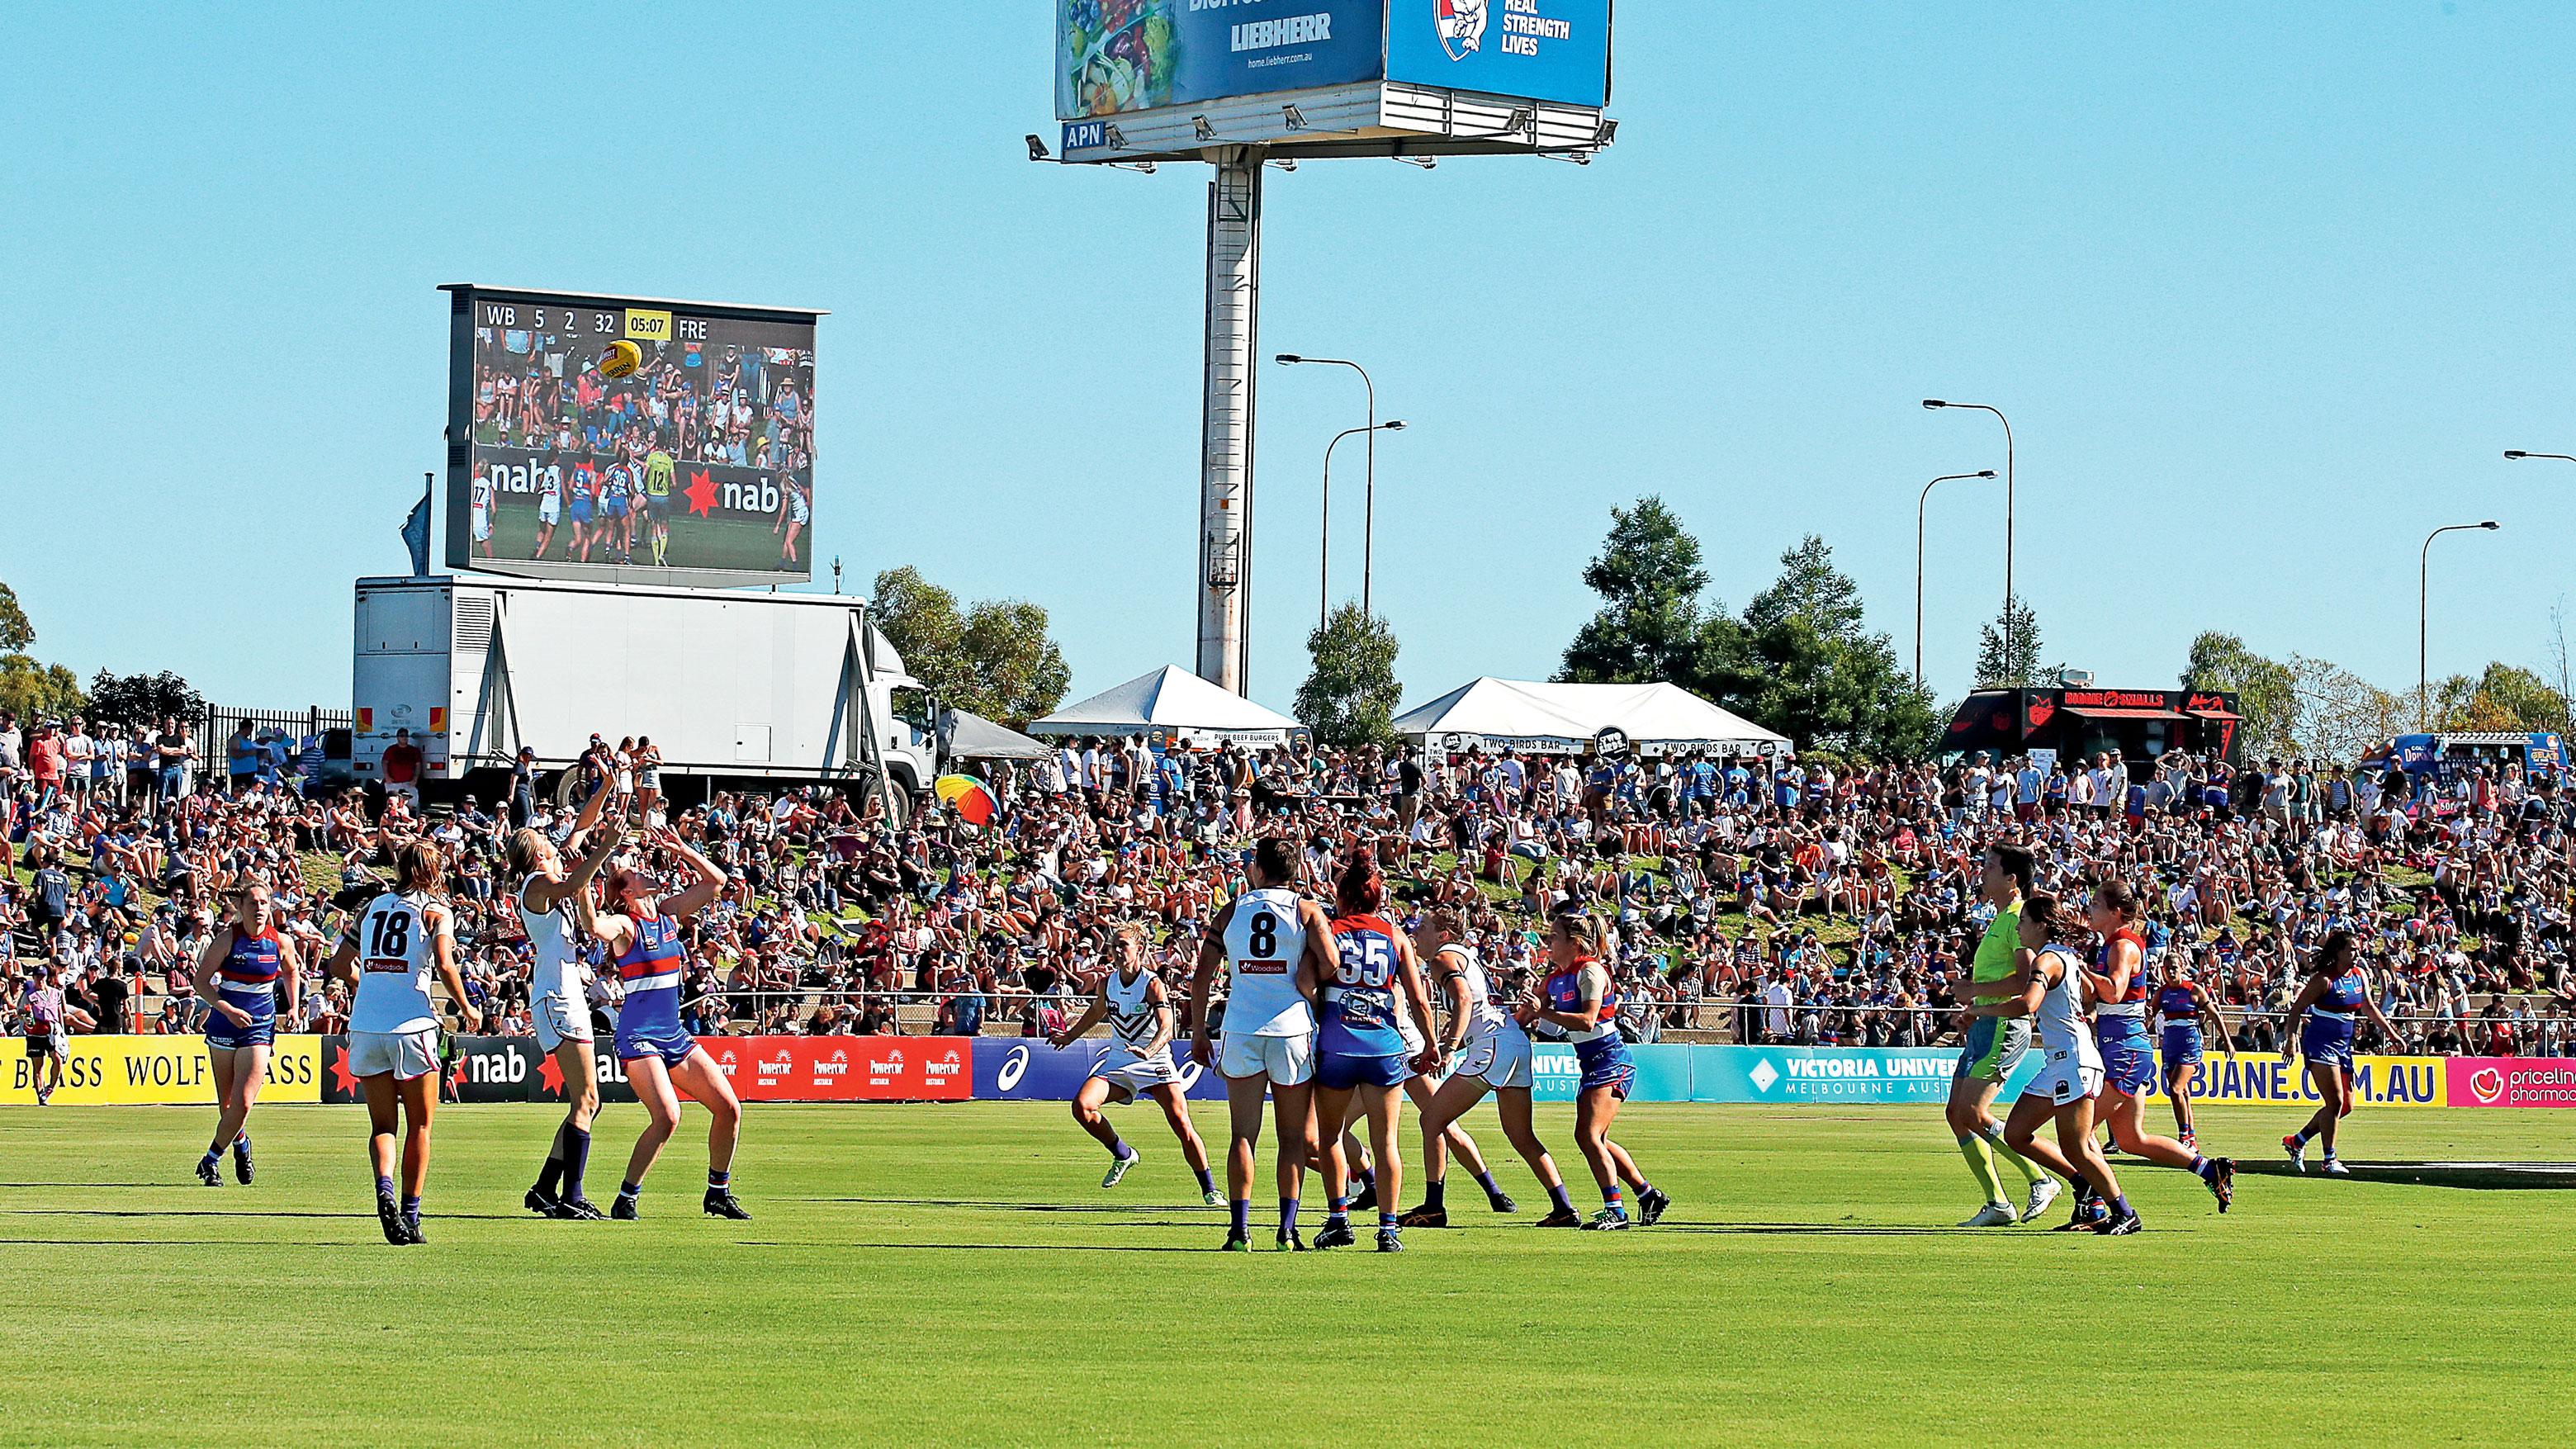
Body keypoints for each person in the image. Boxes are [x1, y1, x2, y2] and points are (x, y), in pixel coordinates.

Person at [575, 820, 749, 1220]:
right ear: (626, 892)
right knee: (668, 1116)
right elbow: (594, 926)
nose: (644, 870)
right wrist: (583, 883)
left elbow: (717, 883)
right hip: (638, 1036)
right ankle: (626, 1197)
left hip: (673, 1033)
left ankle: (718, 1193)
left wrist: (683, 849)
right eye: (634, 872)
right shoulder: (627, 925)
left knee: (729, 1108)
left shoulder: (668, 913)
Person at [327, 841, 481, 1245]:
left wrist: (371, 987)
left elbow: (339, 965)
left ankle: (385, 1190)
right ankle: (411, 1216)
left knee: (383, 1126)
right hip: (412, 1026)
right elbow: (445, 964)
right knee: (421, 1125)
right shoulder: (436, 911)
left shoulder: (370, 908)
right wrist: (468, 1008)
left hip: (366, 1026)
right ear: (433, 872)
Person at [1188, 836, 1334, 1252]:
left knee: (1242, 1135)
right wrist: (1306, 970)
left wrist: (1199, 1031)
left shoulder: (1232, 910)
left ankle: (1239, 1231)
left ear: (1258, 869)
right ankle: (1287, 1231)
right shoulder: (1306, 910)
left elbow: (1202, 976)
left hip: (1241, 1028)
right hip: (1291, 1030)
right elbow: (1331, 962)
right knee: (1292, 1138)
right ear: (1294, 871)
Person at [1977, 893, 2140, 1234]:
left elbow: (2028, 1004)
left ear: (2040, 925)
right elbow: (2089, 996)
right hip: (2060, 1061)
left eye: (2023, 922)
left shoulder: (2048, 959)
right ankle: (2085, 1189)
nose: (2018, 928)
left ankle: (2124, 1213)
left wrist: (1981, 1009)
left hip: (2074, 1062)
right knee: (2016, 1133)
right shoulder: (2065, 956)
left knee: (2076, 1147)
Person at [2072, 882, 2233, 1224]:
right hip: (2124, 1048)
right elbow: (2105, 998)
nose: (2090, 908)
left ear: (2116, 912)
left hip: (2124, 1051)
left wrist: (2081, 970)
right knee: (2131, 1139)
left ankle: (2100, 1207)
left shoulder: (2123, 945)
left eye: (2096, 903)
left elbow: (2113, 992)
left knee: (2080, 1132)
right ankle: (2210, 1170)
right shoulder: (2110, 945)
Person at [1412, 908, 1583, 1226]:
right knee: (1522, 1136)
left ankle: (1433, 1206)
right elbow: (1475, 1010)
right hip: (1513, 1041)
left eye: (1423, 926)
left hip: (1492, 1046)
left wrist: (1449, 1048)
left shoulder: (1442, 959)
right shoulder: (1466, 956)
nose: (1415, 932)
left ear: (1443, 934)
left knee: (1432, 1119)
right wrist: (1445, 1042)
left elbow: (1464, 1001)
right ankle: (1564, 1207)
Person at [1305, 852, 1437, 1252]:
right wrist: (1431, 1043)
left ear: (1343, 896)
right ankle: (1388, 1230)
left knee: (1331, 1136)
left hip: (1337, 1045)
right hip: (1383, 1047)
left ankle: (1339, 1220)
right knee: (1387, 1142)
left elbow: (1307, 984)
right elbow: (1419, 998)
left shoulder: (1329, 930)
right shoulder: (1395, 936)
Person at [1048, 921, 1219, 1203]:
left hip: (1155, 1061)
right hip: (1119, 1060)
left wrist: (1150, 1051)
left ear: (1139, 949)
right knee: (1082, 1106)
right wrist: (1069, 1036)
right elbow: (1095, 1013)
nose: (1117, 951)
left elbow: (1167, 1026)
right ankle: (1123, 1154)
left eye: (1123, 946)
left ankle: (1210, 1189)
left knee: (1182, 1124)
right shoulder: (1107, 983)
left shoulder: (1152, 984)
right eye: (1113, 946)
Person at [1518, 911, 1668, 1230]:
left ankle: (1616, 1211)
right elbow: (1524, 1016)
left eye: (1554, 937)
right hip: (1592, 1062)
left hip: (1611, 1059)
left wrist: (1542, 1012)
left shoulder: (1590, 971)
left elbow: (1588, 1020)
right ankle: (1646, 1194)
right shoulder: (1555, 977)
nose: (1548, 942)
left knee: (1587, 1136)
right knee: (1596, 1138)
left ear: (1574, 942)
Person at [515, 780, 618, 1219]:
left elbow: (581, 826)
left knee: (588, 1101)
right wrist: (605, 850)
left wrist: (606, 788)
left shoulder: (547, 874)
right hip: (558, 993)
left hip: (562, 991)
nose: (554, 844)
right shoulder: (538, 881)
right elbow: (576, 880)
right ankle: (571, 1196)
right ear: (538, 854)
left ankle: (544, 1190)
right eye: (546, 843)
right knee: (587, 1100)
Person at [1944, 842, 2057, 1228]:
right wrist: (1974, 1010)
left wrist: (1973, 992)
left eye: (1990, 867)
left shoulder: (2015, 919)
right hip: (1986, 1024)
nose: (1982, 872)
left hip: (2004, 1027)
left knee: (1973, 1112)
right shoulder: (2000, 919)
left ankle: (2040, 1178)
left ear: (2012, 880)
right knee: (1957, 1114)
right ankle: (1997, 1203)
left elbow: (2027, 981)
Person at [189, 883, 301, 1186]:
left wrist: (293, 1007)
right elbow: (201, 982)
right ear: (240, 906)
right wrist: (227, 1010)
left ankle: (211, 1159)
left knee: (244, 1102)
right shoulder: (227, 939)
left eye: (264, 902)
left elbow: (292, 972)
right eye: (253, 902)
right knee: (227, 1106)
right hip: (224, 1025)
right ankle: (241, 1143)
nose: (260, 908)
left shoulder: (280, 941)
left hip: (259, 1027)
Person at [2278, 929, 2406, 1176]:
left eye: (2358, 949)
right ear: (2338, 952)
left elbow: (2369, 1008)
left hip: (2343, 1047)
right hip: (2320, 1044)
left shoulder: (2360, 976)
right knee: (2335, 1102)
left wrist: (2391, 1033)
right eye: (2352, 950)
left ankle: (2297, 1141)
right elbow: (2296, 1009)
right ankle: (2329, 1159)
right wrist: (2291, 1039)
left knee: (2345, 1106)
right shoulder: (2324, 980)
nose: (2357, 953)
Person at [2154, 948, 2238, 1149]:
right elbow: (2150, 1015)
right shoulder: (2162, 993)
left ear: (2183, 968)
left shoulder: (2194, 990)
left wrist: (2227, 1041)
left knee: (2175, 1088)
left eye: (2174, 968)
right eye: (2167, 968)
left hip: (2190, 1044)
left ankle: (2184, 1136)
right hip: (2170, 1045)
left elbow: (2215, 1015)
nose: (2171, 972)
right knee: (2182, 1092)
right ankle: (2190, 1138)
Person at [18, 970, 89, 1106]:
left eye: (42, 977)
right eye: (37, 977)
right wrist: (26, 1017)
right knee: (38, 1066)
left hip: (52, 1031)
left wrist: (63, 1032)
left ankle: (50, 1088)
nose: (40, 980)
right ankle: (41, 1096)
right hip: (35, 1032)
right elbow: (21, 1011)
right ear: (34, 978)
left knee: (57, 1059)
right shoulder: (29, 995)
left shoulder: (55, 993)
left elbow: (60, 1013)